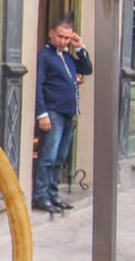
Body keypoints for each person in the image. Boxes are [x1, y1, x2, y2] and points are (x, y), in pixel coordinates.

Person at [32, 20, 92, 213]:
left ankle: (53, 194)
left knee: (60, 157)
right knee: (48, 156)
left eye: (67, 38)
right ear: (51, 33)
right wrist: (42, 113)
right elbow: (38, 85)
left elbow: (87, 68)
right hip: (53, 112)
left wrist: (79, 46)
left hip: (68, 112)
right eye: (60, 36)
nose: (63, 41)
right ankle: (41, 196)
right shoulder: (44, 56)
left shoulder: (67, 57)